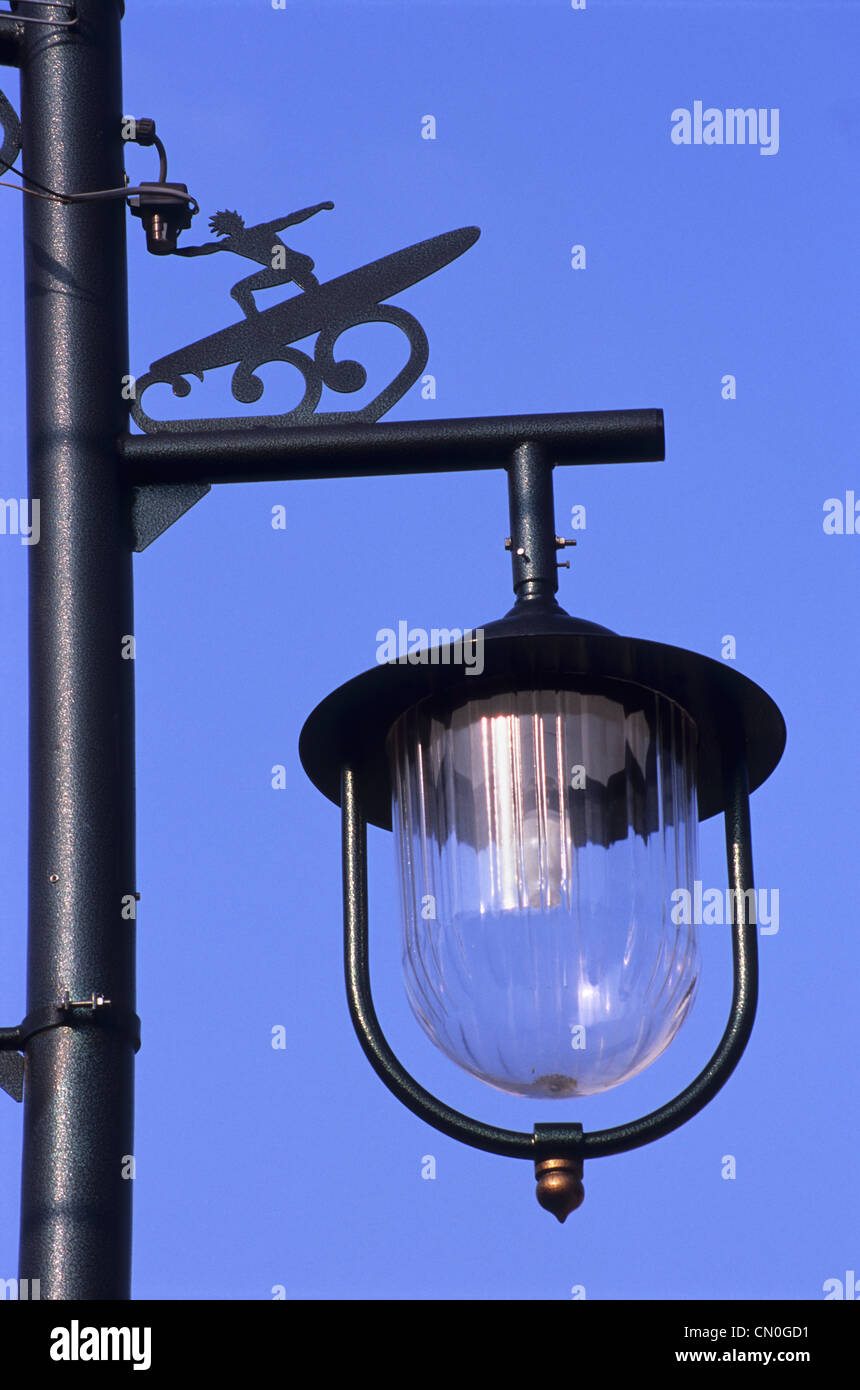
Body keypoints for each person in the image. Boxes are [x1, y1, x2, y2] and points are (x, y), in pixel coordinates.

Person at [172, 203, 334, 316]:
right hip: (278, 270)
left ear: (238, 221)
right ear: (223, 230)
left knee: (288, 267)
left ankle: (318, 296)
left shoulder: (260, 230)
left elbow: (291, 219)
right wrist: (173, 250)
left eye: (232, 223)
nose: (232, 227)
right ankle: (256, 320)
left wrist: (318, 208)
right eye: (227, 226)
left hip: (294, 263)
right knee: (238, 290)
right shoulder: (229, 244)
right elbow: (199, 250)